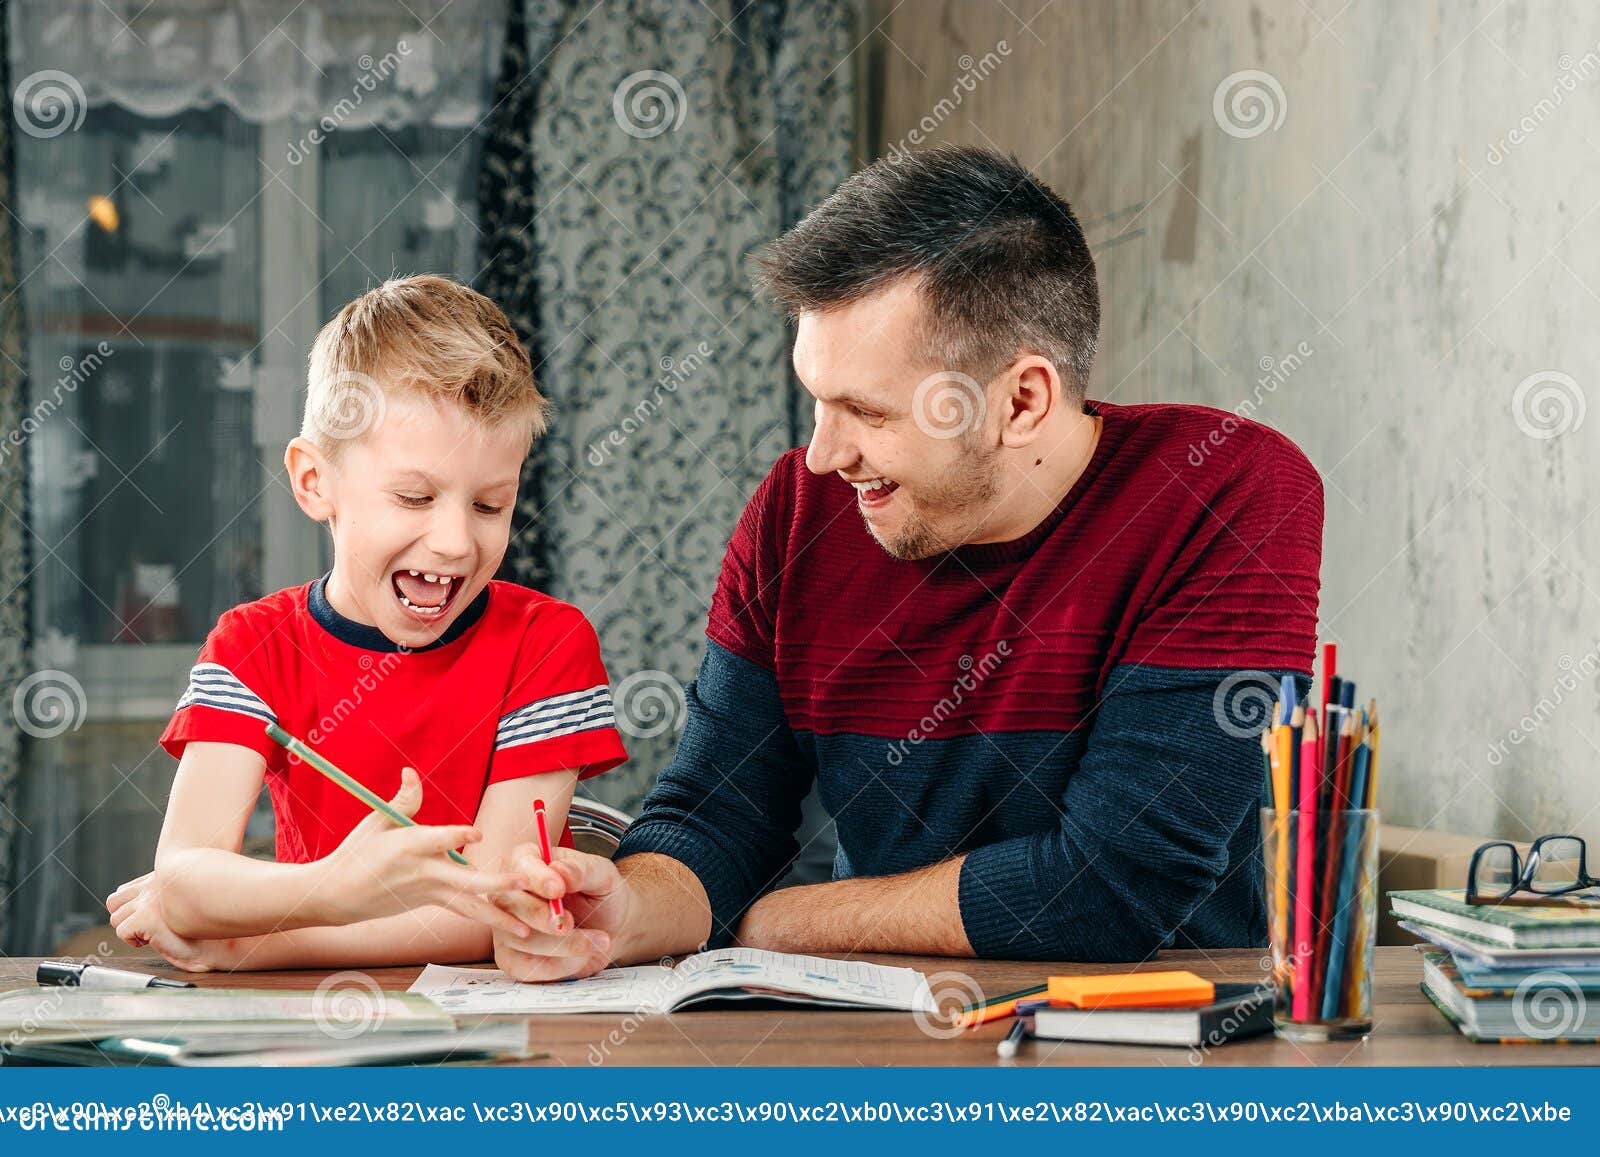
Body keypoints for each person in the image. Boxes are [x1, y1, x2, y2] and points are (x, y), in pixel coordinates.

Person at [488, 145, 1324, 980]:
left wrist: (777, 920)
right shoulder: (795, 513)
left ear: (1021, 401)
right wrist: (626, 911)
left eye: (866, 411)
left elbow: (1110, 888)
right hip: (879, 1021)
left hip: (1154, 1029)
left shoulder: (1228, 491)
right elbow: (716, 814)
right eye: (818, 401)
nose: (822, 454)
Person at [106, 276, 626, 971]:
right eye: (414, 496)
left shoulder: (547, 643)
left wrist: (252, 939)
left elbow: (496, 911)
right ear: (314, 481)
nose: (455, 543)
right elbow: (182, 879)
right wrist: (335, 886)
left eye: (489, 505)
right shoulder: (252, 645)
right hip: (302, 1020)